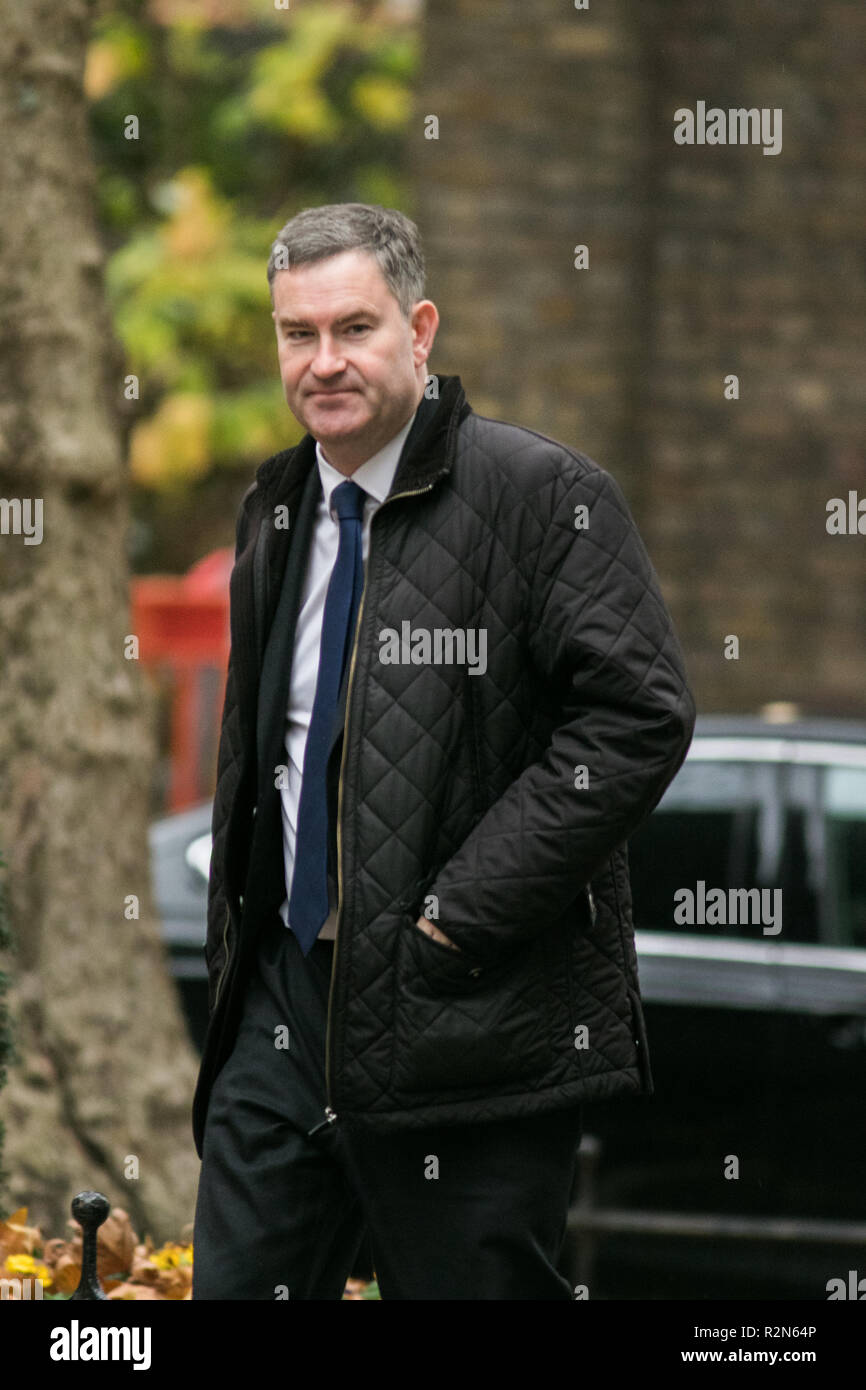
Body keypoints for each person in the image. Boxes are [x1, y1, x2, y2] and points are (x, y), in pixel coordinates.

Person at [191, 202, 696, 1300]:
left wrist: (457, 914)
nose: (322, 361)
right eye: (296, 332)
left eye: (354, 328)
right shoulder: (273, 509)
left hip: (465, 1026)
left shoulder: (540, 495)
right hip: (280, 1014)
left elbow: (637, 715)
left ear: (418, 330)